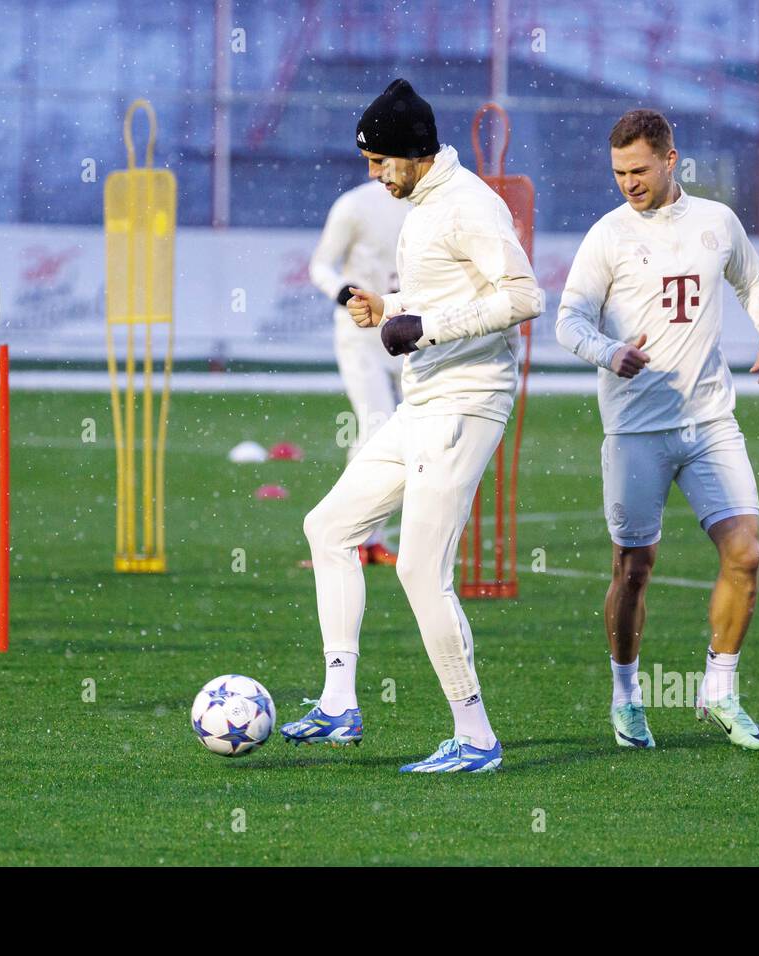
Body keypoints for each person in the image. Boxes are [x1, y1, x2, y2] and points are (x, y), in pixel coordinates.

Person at [280, 78, 543, 773]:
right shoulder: (425, 201)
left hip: (465, 403)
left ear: (411, 152)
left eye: (377, 162)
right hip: (422, 402)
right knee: (327, 528)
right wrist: (389, 304)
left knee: (423, 572)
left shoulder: (469, 207)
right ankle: (340, 702)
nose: (372, 175)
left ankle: (476, 737)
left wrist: (421, 325)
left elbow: (523, 296)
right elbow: (442, 295)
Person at [556, 108, 759, 752]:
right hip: (635, 431)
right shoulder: (607, 236)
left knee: (746, 552)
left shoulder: (716, 221)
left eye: (638, 170)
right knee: (634, 568)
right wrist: (610, 352)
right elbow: (567, 320)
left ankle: (719, 690)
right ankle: (627, 697)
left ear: (669, 159)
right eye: (618, 172)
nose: (627, 182)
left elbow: (755, 278)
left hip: (711, 419)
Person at [309, 179, 409, 565]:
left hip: (408, 328)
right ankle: (351, 537)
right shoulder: (353, 205)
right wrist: (341, 290)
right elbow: (320, 264)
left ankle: (364, 537)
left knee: (415, 432)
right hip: (359, 332)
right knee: (377, 424)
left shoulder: (428, 203)